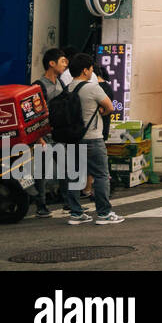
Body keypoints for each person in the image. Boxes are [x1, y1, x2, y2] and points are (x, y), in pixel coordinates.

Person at [61, 53, 122, 225]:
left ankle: (76, 213)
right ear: (85, 70)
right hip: (92, 138)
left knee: (74, 176)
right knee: (101, 175)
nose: (92, 72)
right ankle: (104, 213)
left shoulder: (68, 88)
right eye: (91, 69)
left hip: (73, 139)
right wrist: (102, 112)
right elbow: (109, 107)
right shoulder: (92, 87)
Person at [30, 48, 68, 218]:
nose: (66, 64)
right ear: (51, 64)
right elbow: (33, 115)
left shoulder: (61, 84)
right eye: (63, 61)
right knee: (42, 172)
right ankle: (41, 205)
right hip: (43, 136)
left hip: (59, 134)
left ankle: (68, 202)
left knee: (65, 169)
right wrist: (38, 137)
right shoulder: (38, 86)